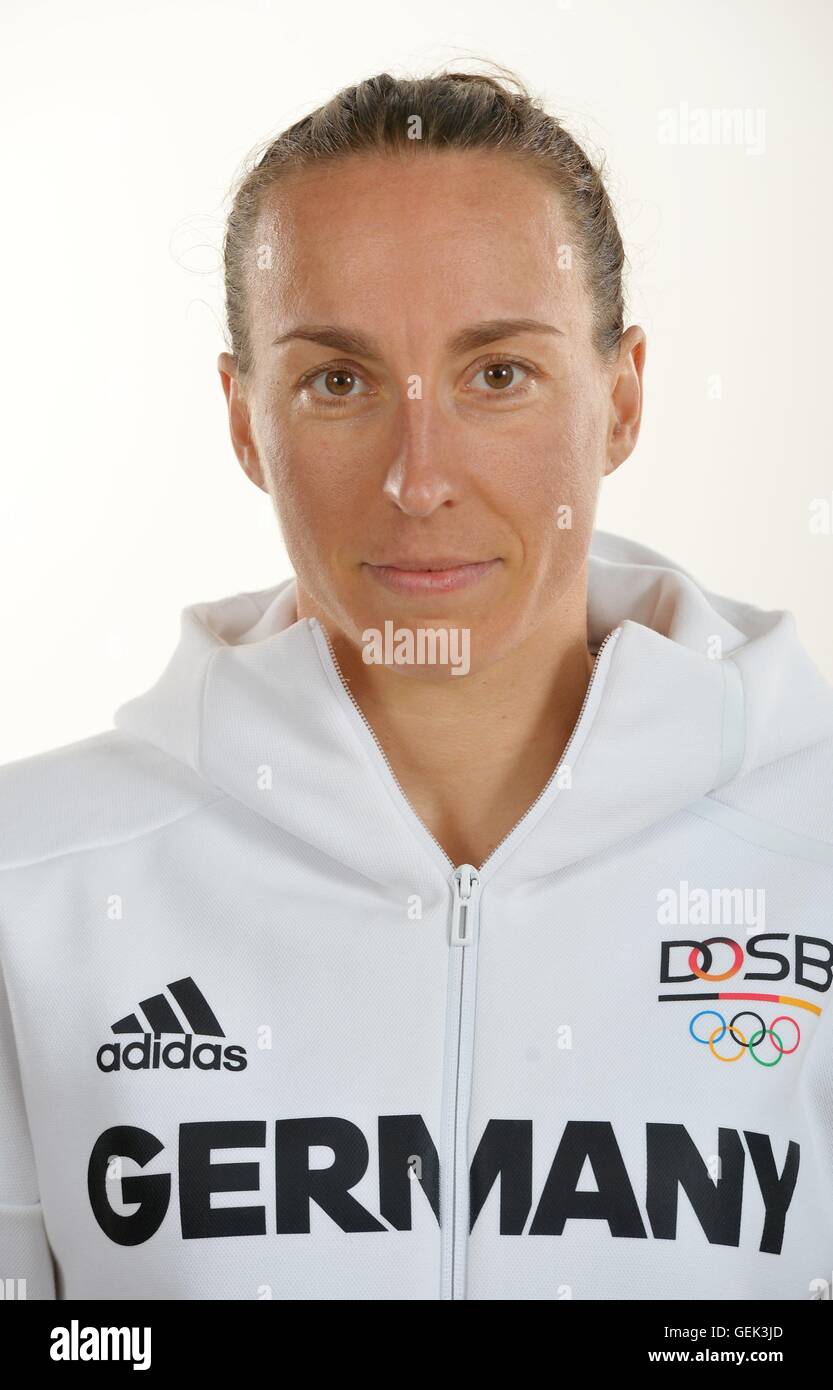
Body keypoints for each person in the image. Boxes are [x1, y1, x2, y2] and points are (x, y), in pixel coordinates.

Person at [2, 66, 832, 1303]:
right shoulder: (36, 881)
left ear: (621, 398)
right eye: (336, 382)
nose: (419, 478)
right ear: (244, 420)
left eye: (495, 374)